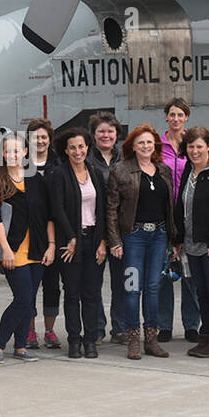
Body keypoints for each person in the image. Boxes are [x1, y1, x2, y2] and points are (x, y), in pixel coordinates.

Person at [107, 124, 178, 359]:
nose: (146, 146)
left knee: (153, 288)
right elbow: (111, 209)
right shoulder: (120, 170)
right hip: (133, 238)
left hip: (158, 236)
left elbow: (170, 207)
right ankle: (133, 340)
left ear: (155, 145)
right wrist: (115, 241)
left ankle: (151, 339)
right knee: (131, 288)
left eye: (149, 142)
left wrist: (172, 239)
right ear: (133, 147)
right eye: (141, 143)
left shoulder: (163, 171)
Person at [0, 133, 54, 363]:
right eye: (8, 151)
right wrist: (5, 249)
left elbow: (48, 216)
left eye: (18, 150)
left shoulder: (36, 180)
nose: (13, 155)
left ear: (25, 152)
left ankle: (21, 346)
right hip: (13, 250)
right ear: (3, 154)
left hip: (37, 248)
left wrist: (51, 245)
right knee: (23, 298)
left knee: (29, 299)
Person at [172, 127, 209, 358]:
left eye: (199, 146)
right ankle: (206, 336)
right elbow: (182, 205)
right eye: (190, 146)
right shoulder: (190, 169)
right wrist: (178, 239)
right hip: (192, 243)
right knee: (202, 292)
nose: (195, 151)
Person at [48, 128, 107, 359]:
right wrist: (71, 237)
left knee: (92, 293)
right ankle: (74, 340)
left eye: (81, 146)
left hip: (93, 239)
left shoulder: (94, 172)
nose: (77, 151)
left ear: (87, 147)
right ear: (66, 150)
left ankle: (90, 339)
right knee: (72, 293)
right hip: (70, 241)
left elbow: (101, 209)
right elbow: (58, 209)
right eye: (72, 147)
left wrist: (103, 241)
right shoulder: (59, 174)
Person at [157, 98, 203, 344]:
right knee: (165, 272)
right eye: (172, 114)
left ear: (187, 117)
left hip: (188, 213)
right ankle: (164, 324)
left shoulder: (192, 144)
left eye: (180, 115)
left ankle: (191, 324)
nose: (176, 119)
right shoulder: (157, 145)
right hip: (163, 214)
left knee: (189, 273)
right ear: (166, 116)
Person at [88, 111, 127, 344]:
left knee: (121, 283)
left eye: (110, 131)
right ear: (94, 135)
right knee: (93, 284)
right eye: (101, 131)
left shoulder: (125, 159)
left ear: (116, 134)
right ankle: (97, 327)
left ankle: (120, 328)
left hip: (120, 230)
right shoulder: (86, 159)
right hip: (94, 229)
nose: (106, 135)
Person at [26, 118, 62, 349]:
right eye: (35, 137)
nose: (39, 141)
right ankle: (29, 332)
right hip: (26, 235)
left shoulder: (59, 164)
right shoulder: (19, 163)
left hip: (53, 234)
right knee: (27, 286)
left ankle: (49, 330)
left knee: (51, 286)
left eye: (43, 137)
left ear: (49, 139)